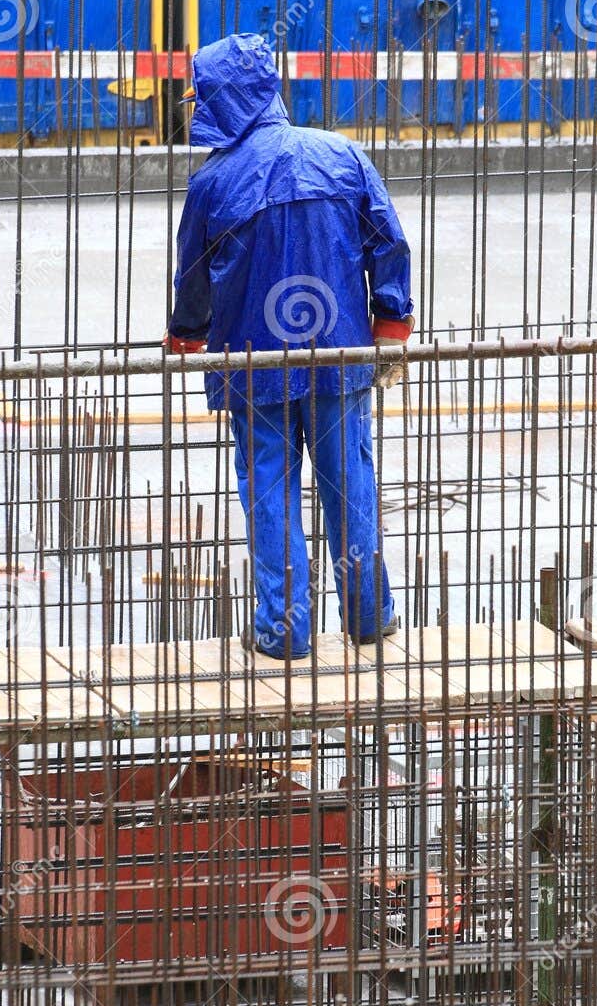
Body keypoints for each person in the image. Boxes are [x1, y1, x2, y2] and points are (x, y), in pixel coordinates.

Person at [165, 33, 412, 661]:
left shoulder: (211, 183)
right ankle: (368, 617)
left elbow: (192, 276)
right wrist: (391, 324)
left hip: (255, 365)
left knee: (270, 492)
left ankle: (283, 631)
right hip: (339, 357)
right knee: (349, 484)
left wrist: (187, 334)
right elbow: (388, 243)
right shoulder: (342, 155)